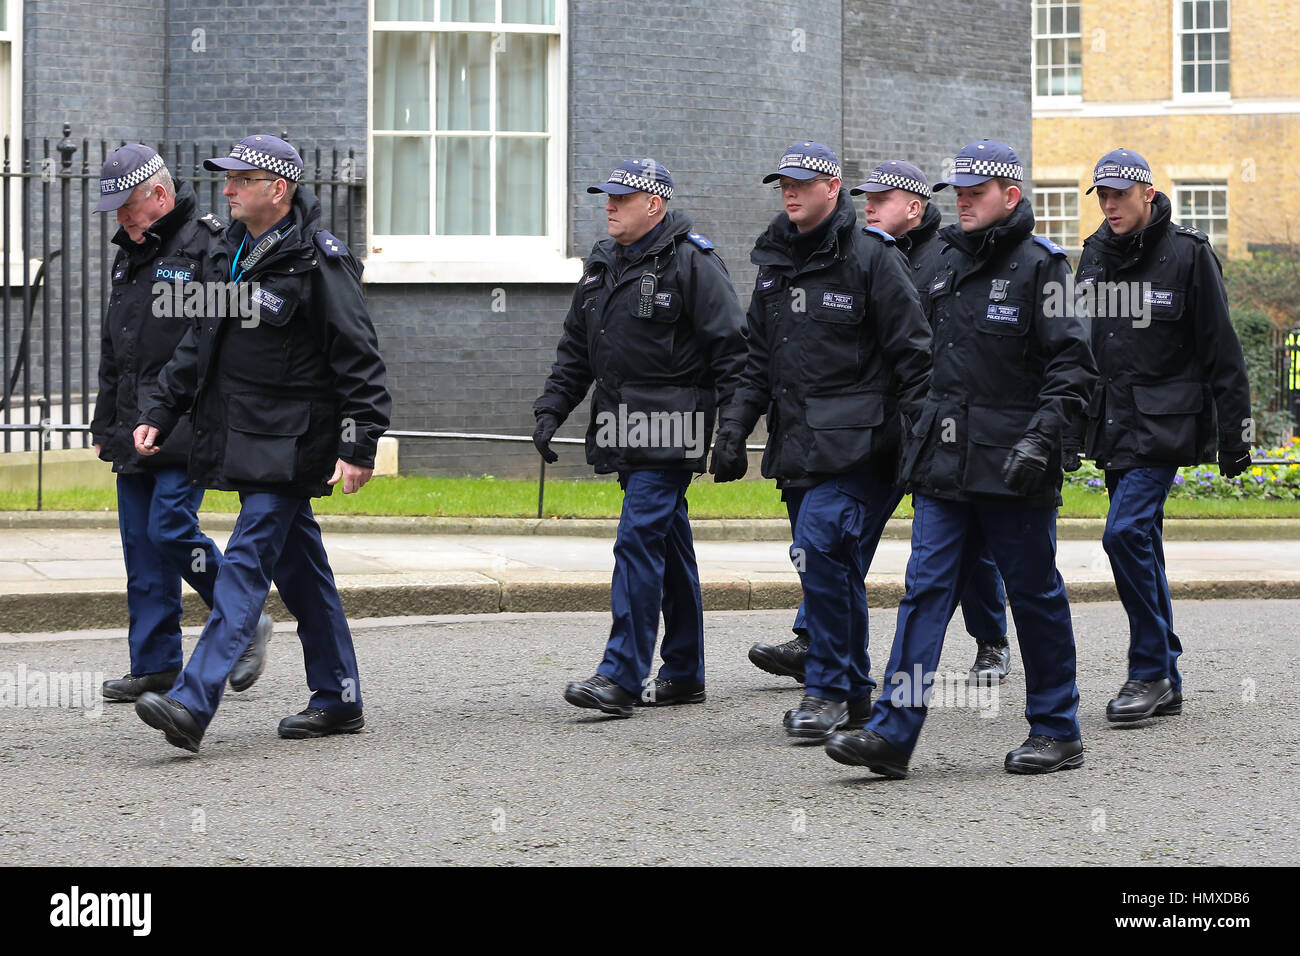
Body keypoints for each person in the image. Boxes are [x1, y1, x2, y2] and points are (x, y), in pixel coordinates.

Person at [826, 139, 1097, 777]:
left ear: (1010, 196)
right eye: (958, 193)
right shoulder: (941, 262)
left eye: (976, 193)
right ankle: (893, 733)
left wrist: (1041, 438)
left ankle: (1058, 731)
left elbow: (1074, 365)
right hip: (944, 465)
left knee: (1033, 596)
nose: (964, 203)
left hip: (1015, 467)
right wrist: (918, 420)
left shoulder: (1043, 268)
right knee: (923, 594)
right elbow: (916, 357)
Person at [132, 134, 391, 753]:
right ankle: (338, 697)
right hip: (248, 438)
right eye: (226, 180)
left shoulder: (318, 261)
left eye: (240, 180)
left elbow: (360, 361)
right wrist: (162, 410)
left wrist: (357, 445)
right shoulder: (228, 252)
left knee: (246, 565)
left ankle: (193, 702)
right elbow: (200, 340)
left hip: (295, 443)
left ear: (276, 189)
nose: (226, 190)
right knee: (304, 574)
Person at [746, 159, 1013, 688]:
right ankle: (816, 639)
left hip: (935, 415)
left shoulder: (948, 255)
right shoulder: (854, 254)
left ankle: (991, 639)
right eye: (865, 197)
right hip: (876, 424)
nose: (868, 206)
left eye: (882, 199)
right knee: (840, 533)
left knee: (970, 541)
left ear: (913, 207)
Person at [712, 142, 931, 739]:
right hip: (800, 445)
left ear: (832, 187)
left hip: (864, 445)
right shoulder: (774, 262)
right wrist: (733, 429)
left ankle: (829, 689)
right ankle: (856, 689)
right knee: (824, 566)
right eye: (783, 181)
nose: (789, 191)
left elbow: (914, 356)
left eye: (802, 182)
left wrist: (924, 442)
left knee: (822, 541)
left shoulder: (872, 258)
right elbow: (756, 358)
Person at [535, 158, 748, 717]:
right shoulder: (602, 264)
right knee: (667, 547)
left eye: (620, 198)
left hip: (674, 425)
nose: (608, 205)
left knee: (636, 541)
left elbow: (732, 349)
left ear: (653, 204)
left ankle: (620, 675)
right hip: (623, 425)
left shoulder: (692, 262)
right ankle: (683, 672)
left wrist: (732, 429)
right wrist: (552, 408)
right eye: (606, 197)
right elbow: (577, 349)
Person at [1074, 148, 1252, 723]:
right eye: (1101, 196)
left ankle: (1148, 670)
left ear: (1147, 194)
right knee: (1141, 541)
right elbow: (1078, 348)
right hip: (1112, 423)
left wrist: (1236, 433)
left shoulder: (1188, 255)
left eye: (1118, 195)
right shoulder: (1094, 255)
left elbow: (1223, 350)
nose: (1108, 205)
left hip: (1165, 424)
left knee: (1122, 535)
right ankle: (1166, 678)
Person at [89, 144, 270, 703]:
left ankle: (240, 615)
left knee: (170, 529)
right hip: (132, 424)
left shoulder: (208, 243)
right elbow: (114, 348)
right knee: (141, 549)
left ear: (161, 196)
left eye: (127, 205)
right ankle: (154, 664)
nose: (120, 217)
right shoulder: (129, 255)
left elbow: (226, 336)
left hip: (185, 421)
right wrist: (106, 421)